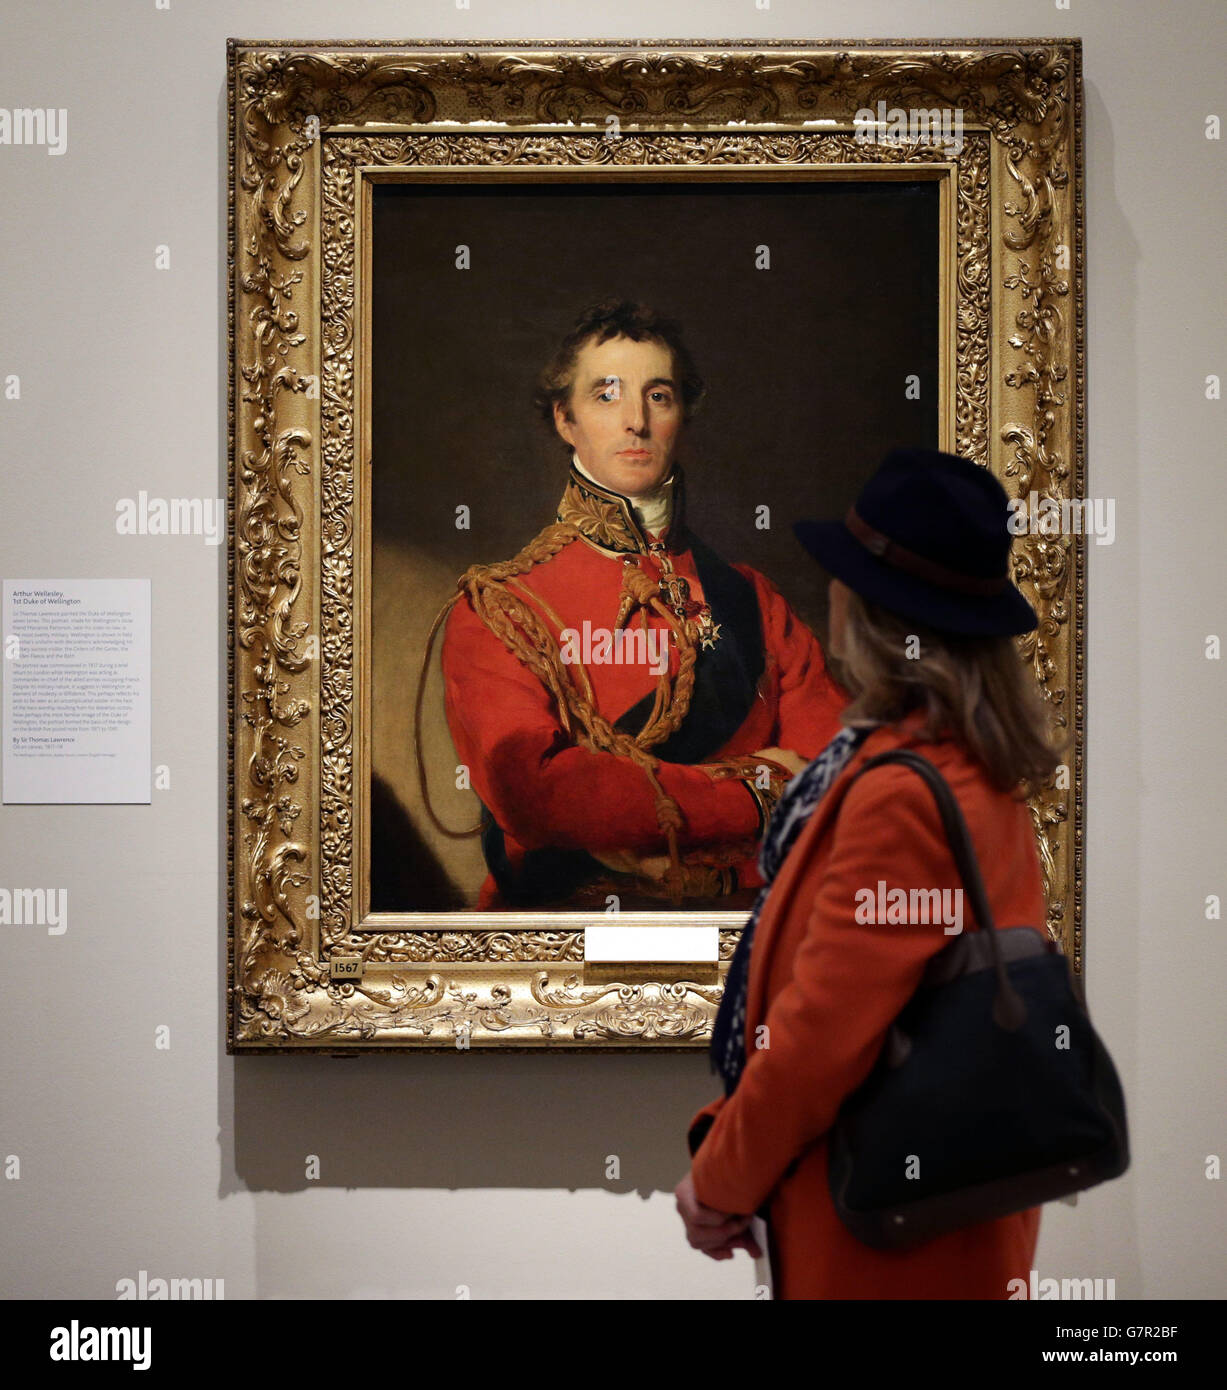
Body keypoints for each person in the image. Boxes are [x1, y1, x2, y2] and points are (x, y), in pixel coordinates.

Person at [674, 446, 1063, 1298]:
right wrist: (726, 1140)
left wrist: (721, 1179)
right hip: (922, 1220)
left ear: (868, 610)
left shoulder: (900, 791)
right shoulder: (957, 768)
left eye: (841, 574)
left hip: (886, 1244)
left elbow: (820, 1039)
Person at [433, 299, 847, 909]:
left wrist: (641, 812)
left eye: (658, 396)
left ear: (682, 415)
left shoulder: (751, 598)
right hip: (560, 941)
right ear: (564, 418)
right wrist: (758, 793)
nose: (636, 421)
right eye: (606, 394)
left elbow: (840, 773)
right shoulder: (501, 608)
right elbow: (542, 799)